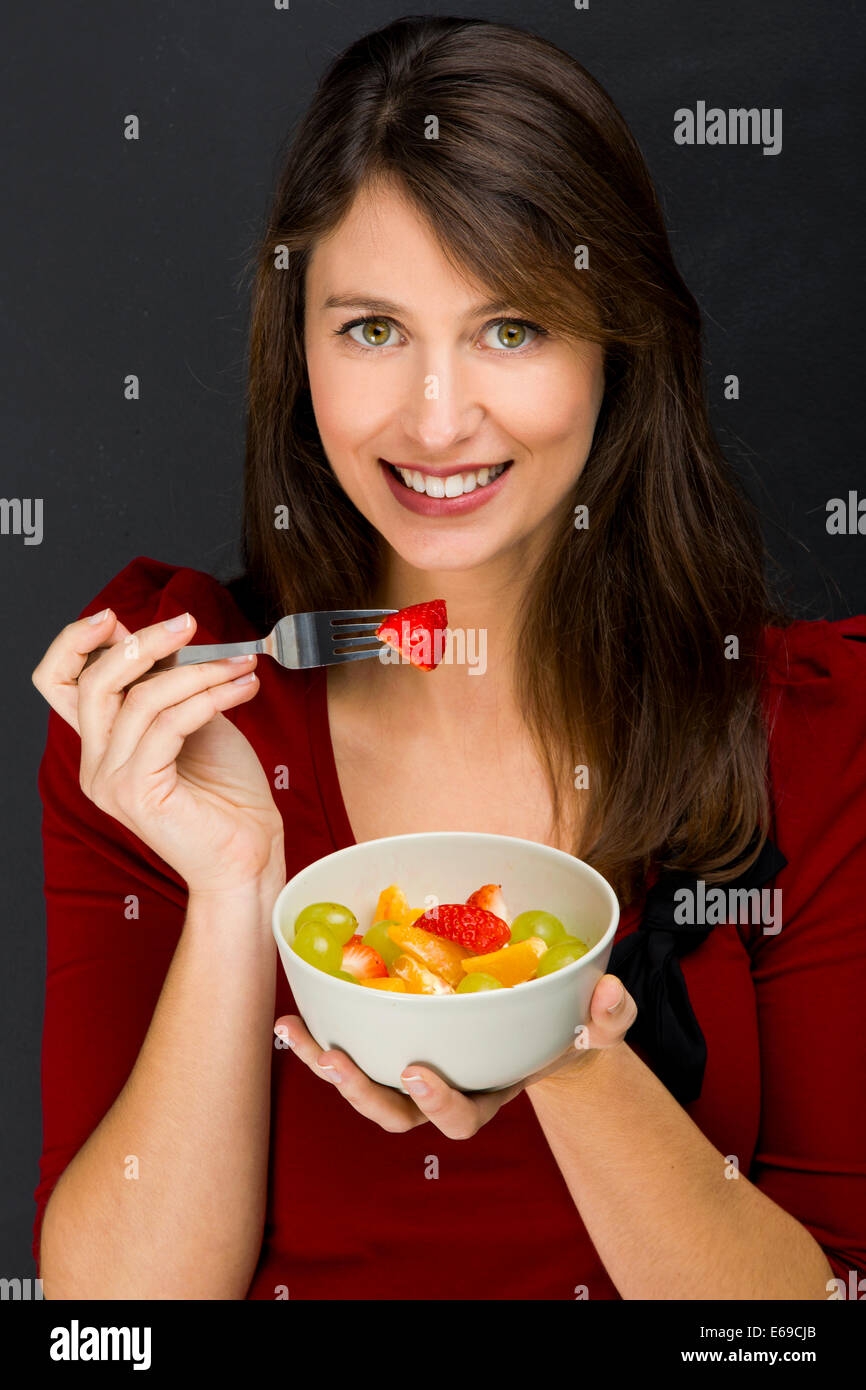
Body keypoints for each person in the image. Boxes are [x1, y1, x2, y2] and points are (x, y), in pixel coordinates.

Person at [30, 15, 865, 1300]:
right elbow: (112, 1325)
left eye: (512, 327)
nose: (435, 416)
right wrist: (234, 882)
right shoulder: (179, 716)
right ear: (295, 342)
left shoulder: (806, 735)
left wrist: (567, 1056)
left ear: (617, 345)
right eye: (370, 329)